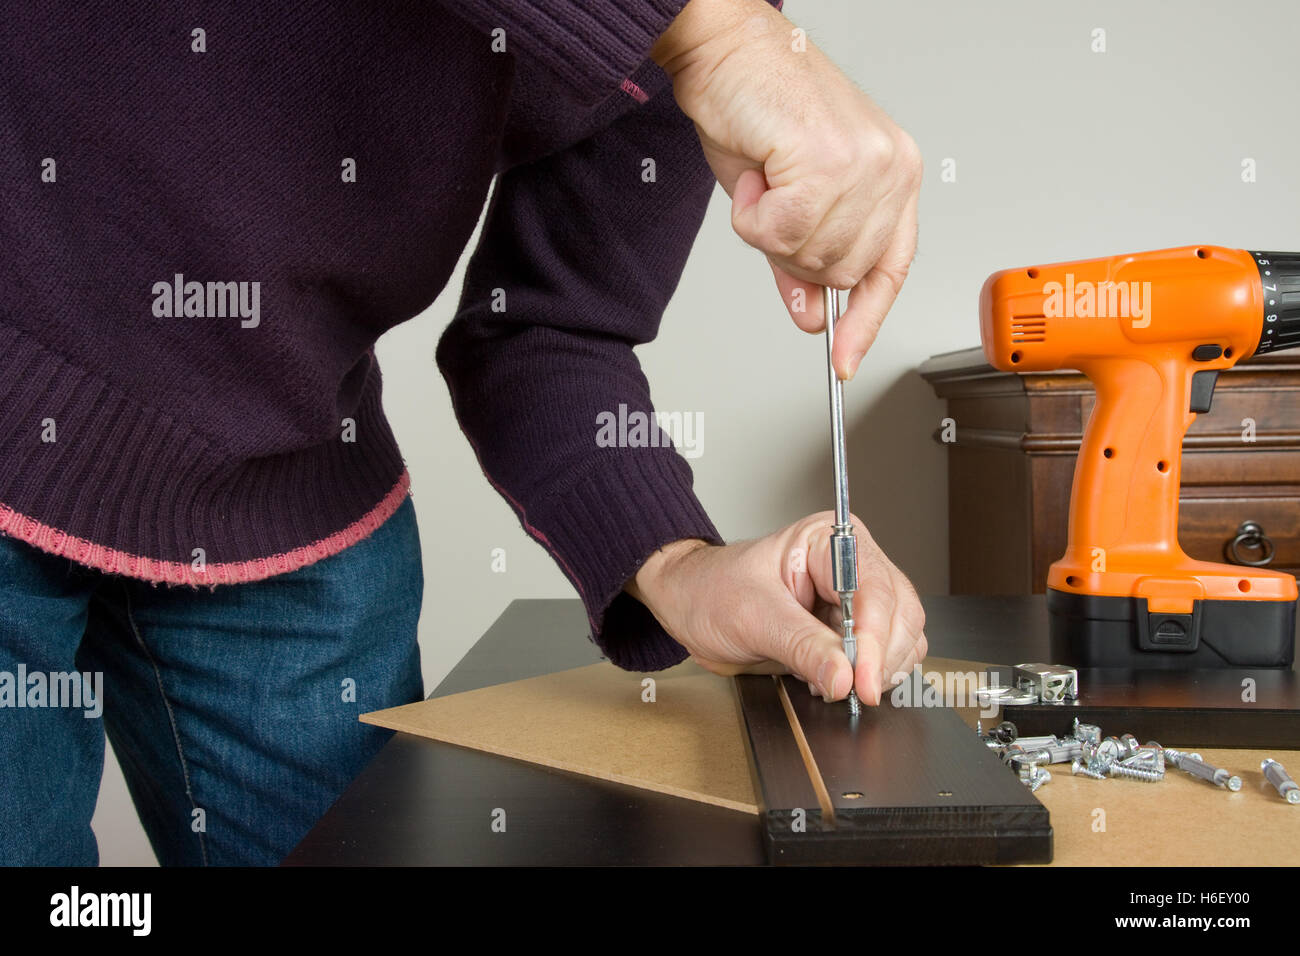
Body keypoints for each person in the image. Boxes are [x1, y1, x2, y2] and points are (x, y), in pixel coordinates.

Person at [0, 0, 925, 865]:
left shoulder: (711, 49)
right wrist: (715, 34)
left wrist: (681, 566)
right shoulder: (713, 35)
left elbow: (549, 331)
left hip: (288, 497)